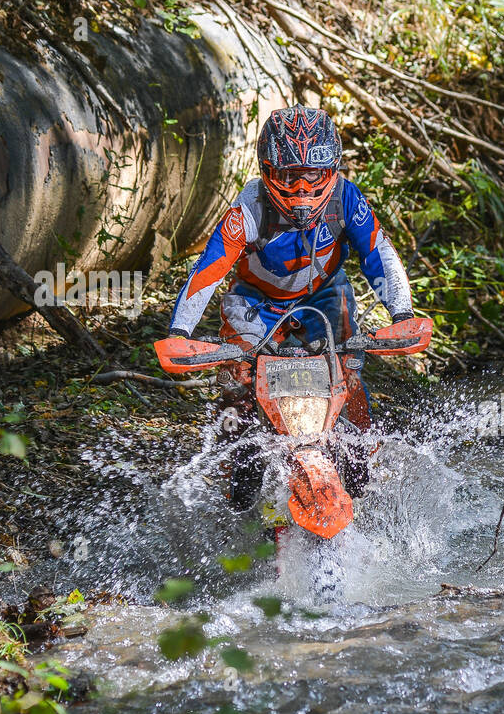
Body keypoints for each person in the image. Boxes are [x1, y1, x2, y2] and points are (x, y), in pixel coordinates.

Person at [166, 106, 413, 505]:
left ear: (330, 170)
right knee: (236, 384)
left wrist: (402, 315)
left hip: (324, 293)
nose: (301, 189)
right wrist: (180, 332)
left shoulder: (346, 198)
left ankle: (361, 462)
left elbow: (378, 254)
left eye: (311, 176)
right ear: (267, 171)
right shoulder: (249, 207)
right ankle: (237, 480)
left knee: (347, 375)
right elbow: (209, 269)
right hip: (255, 300)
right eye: (288, 176)